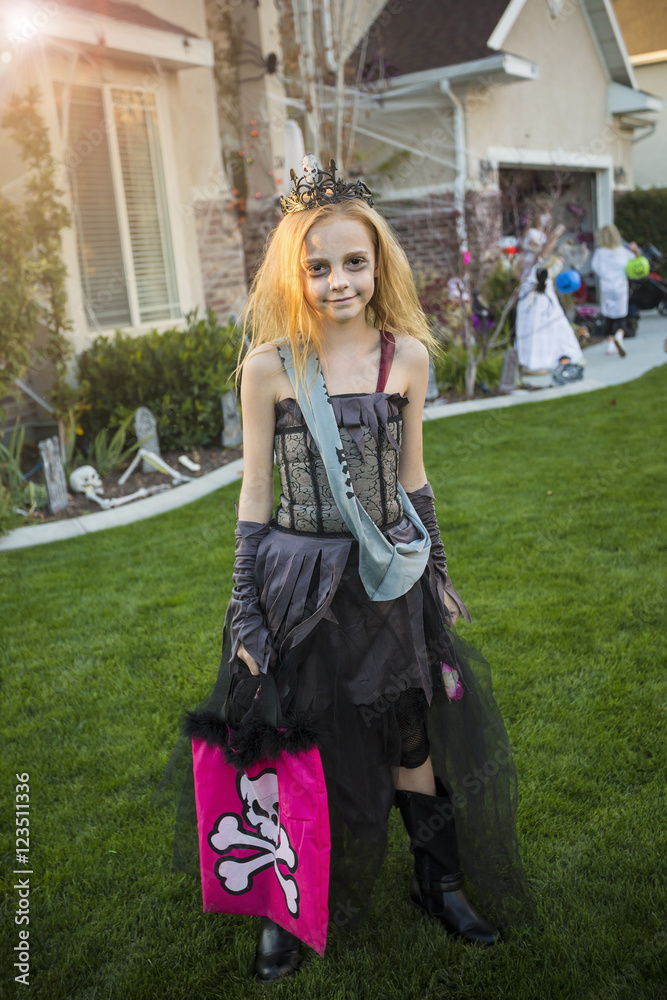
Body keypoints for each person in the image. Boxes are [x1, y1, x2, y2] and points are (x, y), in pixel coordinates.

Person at [155, 157, 532, 982]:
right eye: (316, 266)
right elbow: (256, 491)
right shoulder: (268, 367)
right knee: (295, 739)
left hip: (385, 584)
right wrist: (245, 611)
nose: (337, 281)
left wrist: (434, 570)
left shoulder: (407, 359)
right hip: (296, 584)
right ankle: (283, 907)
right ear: (294, 273)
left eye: (353, 263)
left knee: (407, 729)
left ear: (378, 264)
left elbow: (412, 480)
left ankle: (438, 885)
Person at [514, 211, 584, 373]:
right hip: (534, 284)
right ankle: (535, 362)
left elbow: (546, 257)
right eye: (544, 213)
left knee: (552, 318)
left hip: (542, 282)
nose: (548, 217)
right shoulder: (532, 234)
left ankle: (563, 355)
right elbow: (542, 253)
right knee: (537, 321)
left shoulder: (539, 234)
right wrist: (556, 235)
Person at [590, 224, 640, 358]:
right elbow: (637, 263)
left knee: (609, 317)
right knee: (621, 316)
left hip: (606, 288)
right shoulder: (623, 251)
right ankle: (619, 335)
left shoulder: (600, 252)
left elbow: (595, 267)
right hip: (620, 287)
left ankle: (611, 346)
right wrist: (635, 250)